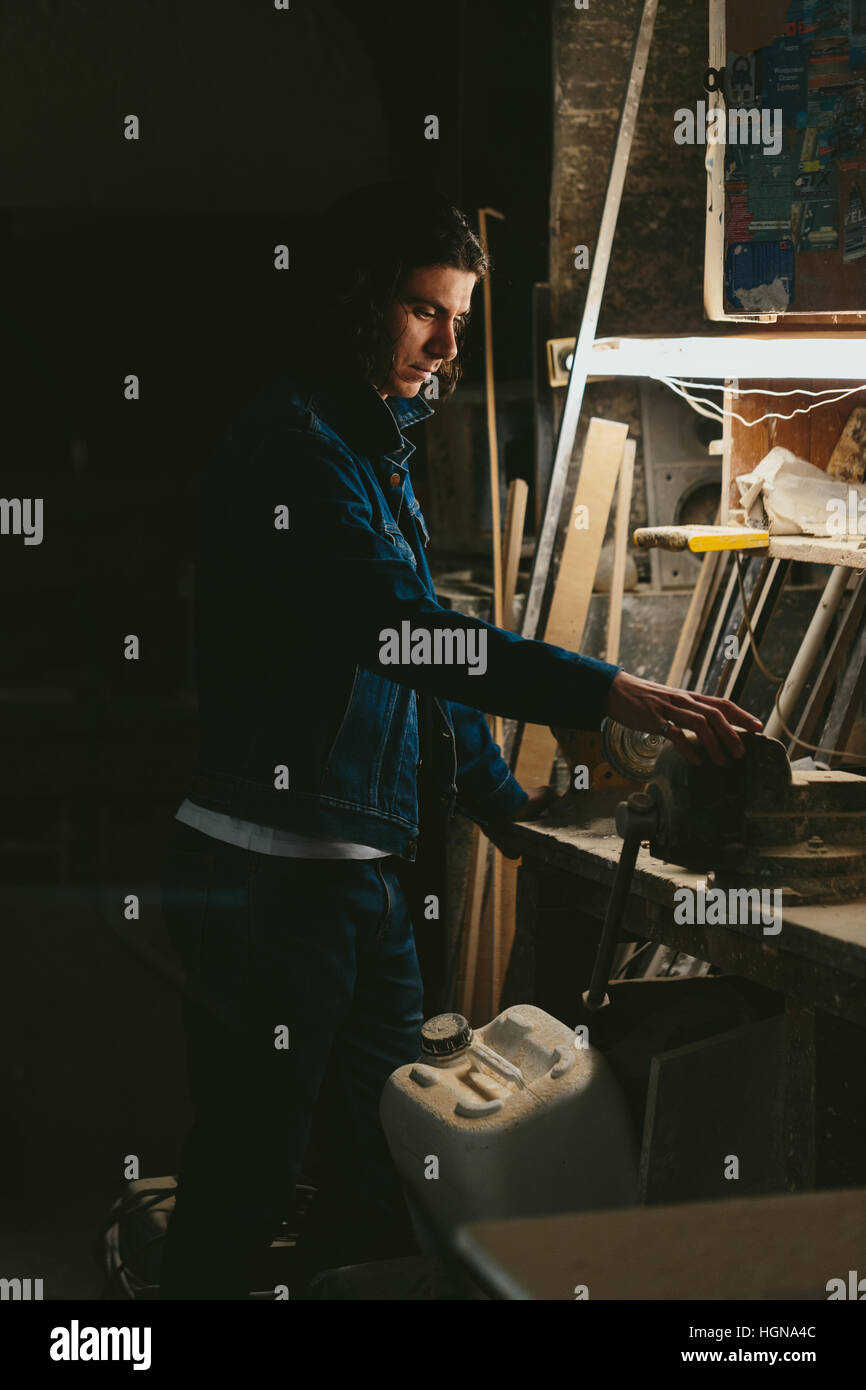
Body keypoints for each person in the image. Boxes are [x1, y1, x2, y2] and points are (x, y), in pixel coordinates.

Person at [158, 180, 762, 1299]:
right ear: (356, 305)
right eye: (421, 311)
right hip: (266, 876)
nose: (443, 345)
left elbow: (422, 683)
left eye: (457, 318)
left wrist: (509, 810)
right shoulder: (296, 447)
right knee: (245, 1179)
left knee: (397, 1162)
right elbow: (407, 637)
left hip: (362, 883)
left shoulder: (375, 449)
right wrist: (607, 691)